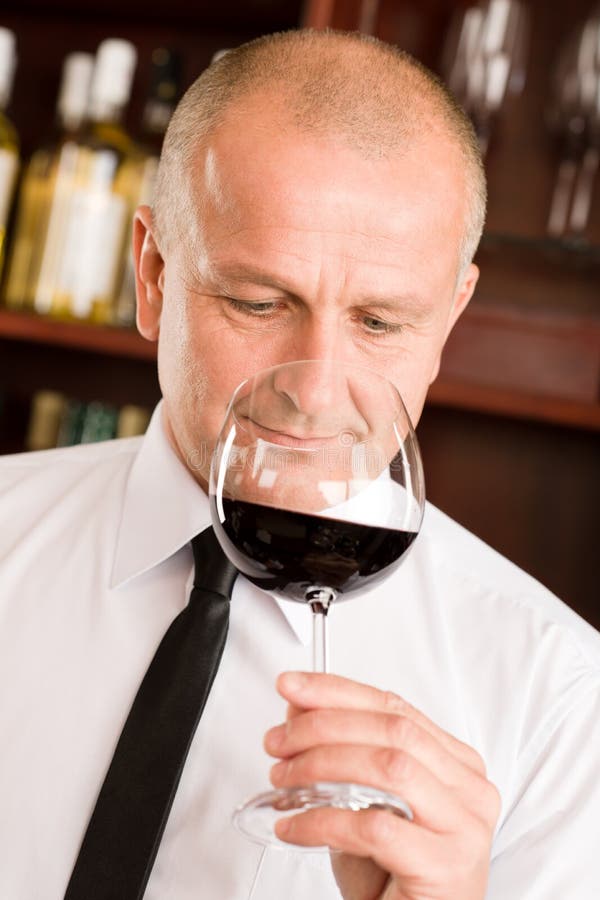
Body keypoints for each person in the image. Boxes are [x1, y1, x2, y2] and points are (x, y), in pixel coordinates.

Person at [1, 28, 599, 900]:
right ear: (154, 273)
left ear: (451, 316)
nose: (316, 392)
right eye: (257, 301)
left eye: (381, 323)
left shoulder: (561, 699)